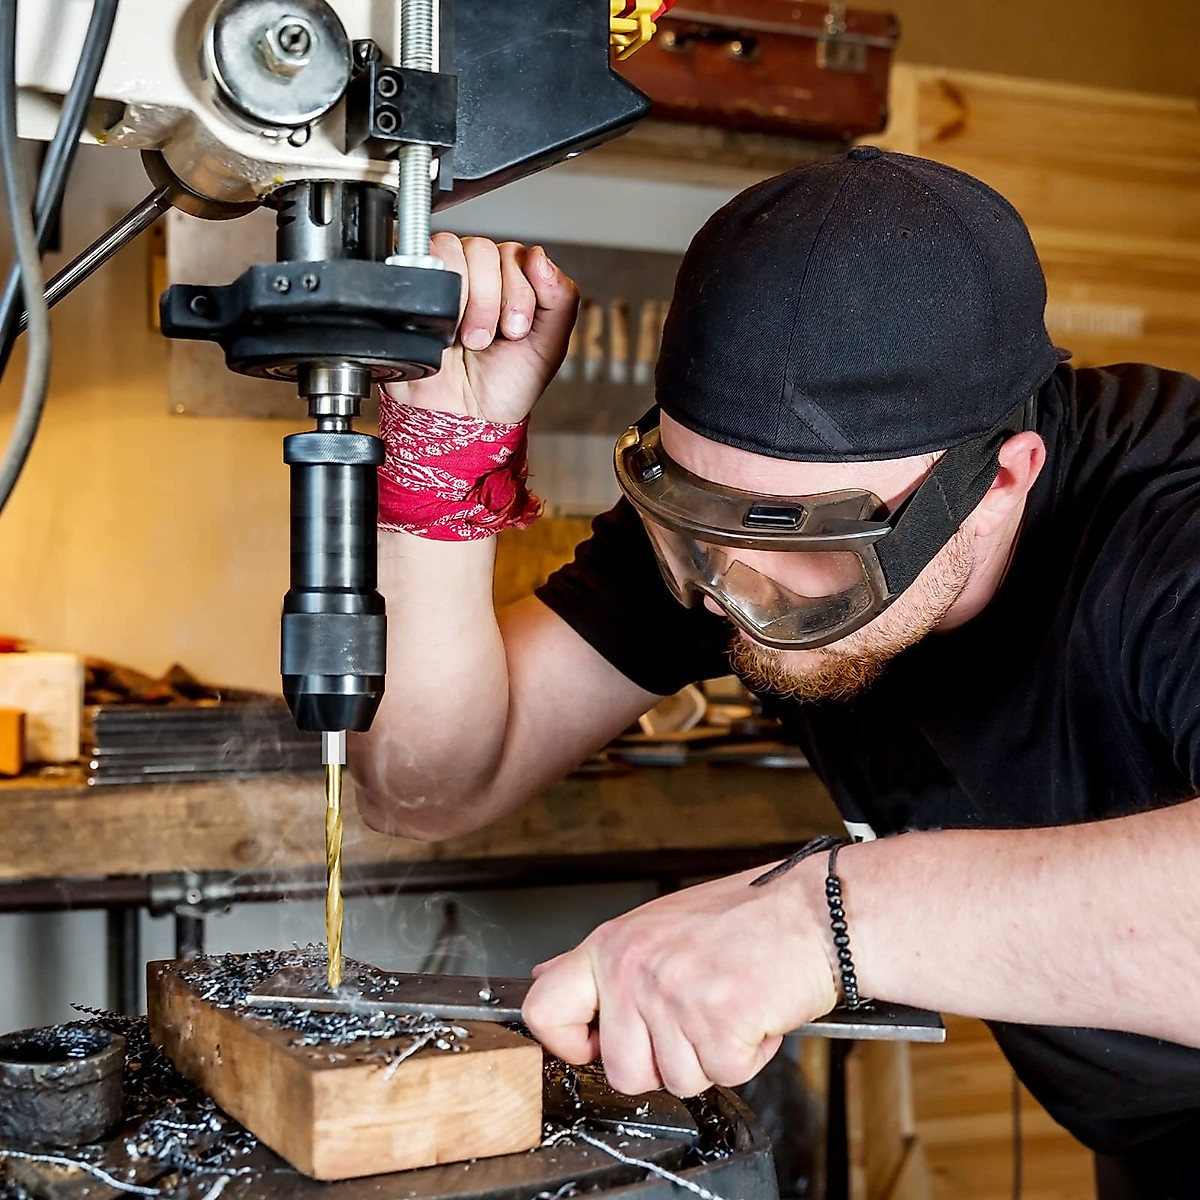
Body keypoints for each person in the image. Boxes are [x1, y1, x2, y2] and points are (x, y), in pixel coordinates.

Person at [352, 147, 1200, 1199]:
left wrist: (820, 923)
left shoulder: (1172, 531)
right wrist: (442, 454)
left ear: (998, 484)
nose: (730, 598)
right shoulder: (727, 532)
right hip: (1145, 1129)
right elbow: (428, 786)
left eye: (811, 546)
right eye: (696, 528)